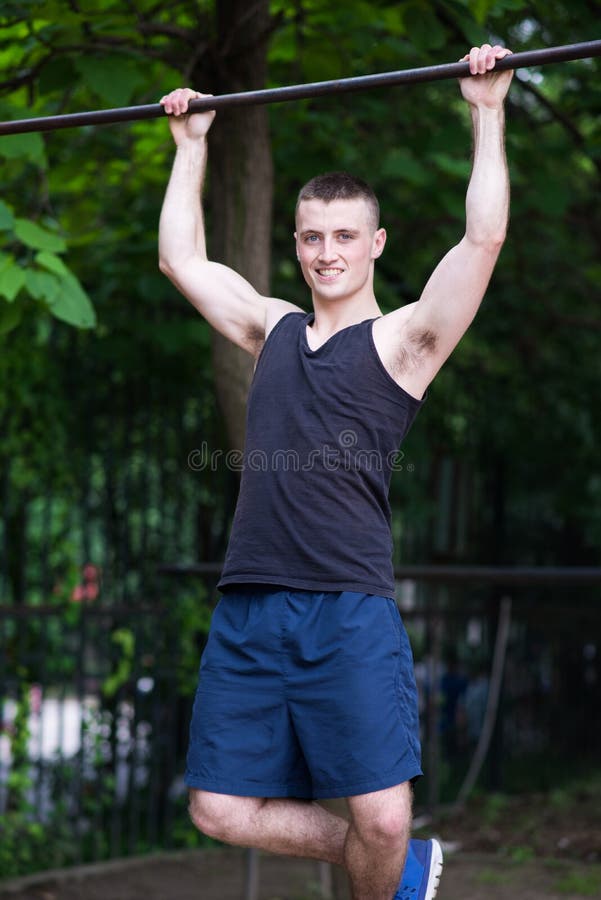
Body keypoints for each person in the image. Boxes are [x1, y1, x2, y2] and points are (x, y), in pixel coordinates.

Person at [158, 42, 513, 900]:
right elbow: (183, 262)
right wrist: (193, 146)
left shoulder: (404, 342)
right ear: (297, 242)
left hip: (347, 607)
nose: (327, 253)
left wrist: (487, 111)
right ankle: (402, 870)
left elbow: (483, 235)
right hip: (249, 605)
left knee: (382, 819)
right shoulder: (272, 327)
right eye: (312, 237)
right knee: (217, 809)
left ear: (375, 243)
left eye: (344, 236)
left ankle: (390, 858)